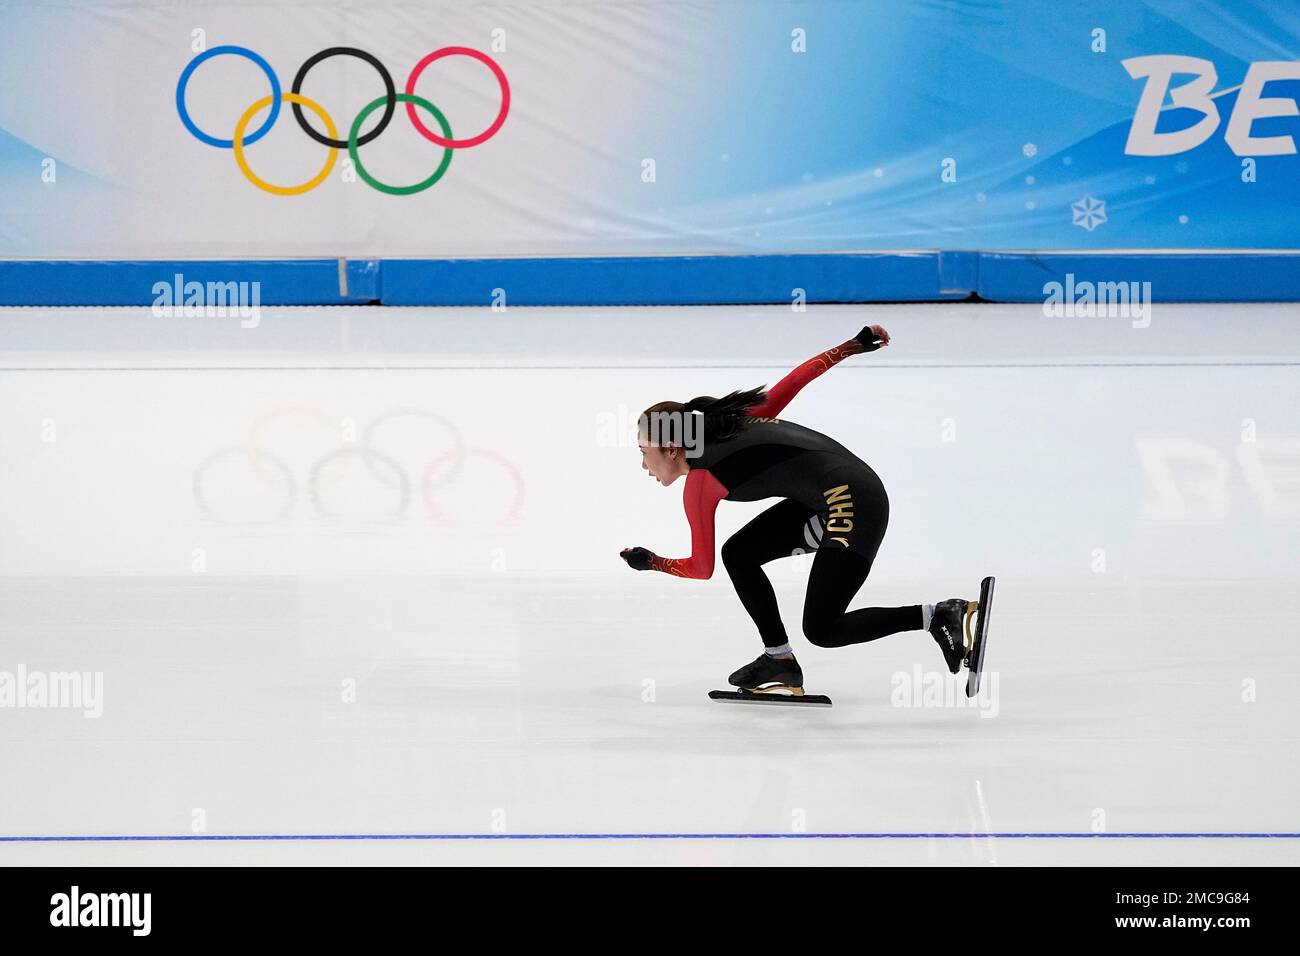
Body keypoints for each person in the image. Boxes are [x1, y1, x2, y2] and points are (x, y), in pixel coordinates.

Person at [620, 326, 974, 694]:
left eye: (644, 453)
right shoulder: (731, 424)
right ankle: (779, 659)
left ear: (672, 448)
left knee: (822, 629)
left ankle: (937, 616)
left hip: (854, 503)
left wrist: (653, 562)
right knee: (739, 554)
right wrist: (851, 346)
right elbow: (794, 381)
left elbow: (701, 568)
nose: (645, 465)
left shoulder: (701, 483)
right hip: (835, 497)